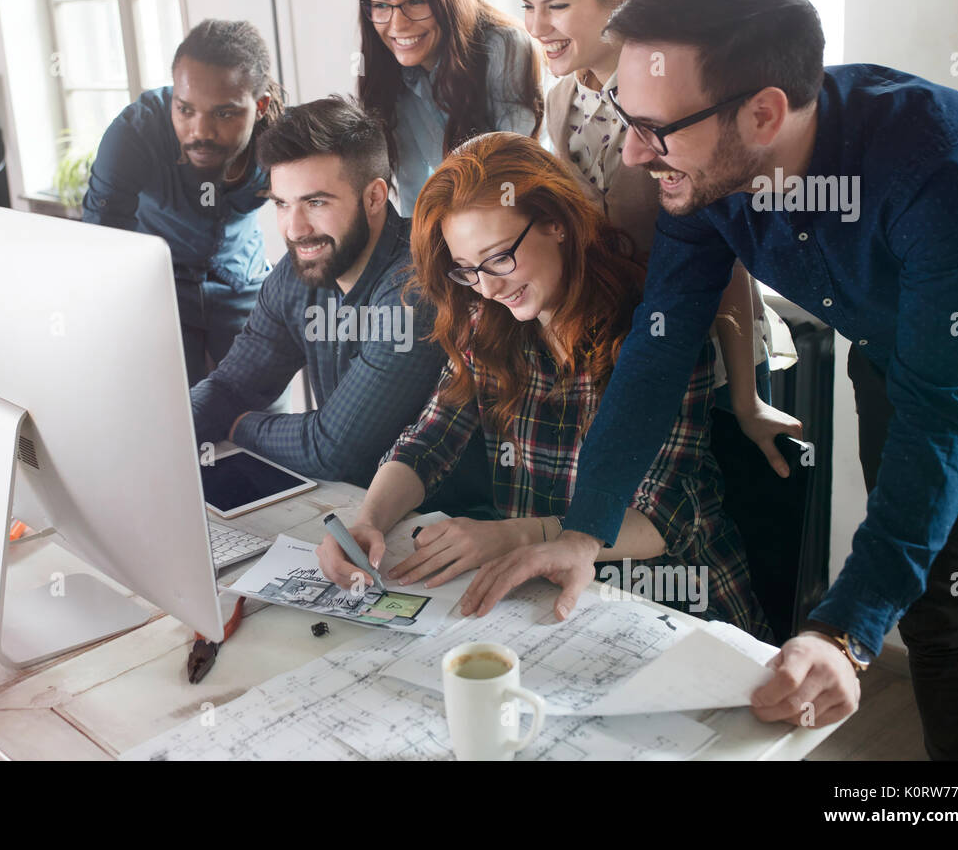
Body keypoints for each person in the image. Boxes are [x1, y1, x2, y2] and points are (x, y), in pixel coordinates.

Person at [463, 0, 958, 756]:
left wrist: (846, 632)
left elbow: (946, 417)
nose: (633, 156)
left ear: (763, 113)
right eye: (626, 117)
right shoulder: (702, 175)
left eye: (656, 130)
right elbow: (661, 341)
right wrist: (586, 528)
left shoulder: (944, 169)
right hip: (899, 362)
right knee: (931, 615)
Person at [315, 132, 770, 639]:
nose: (488, 288)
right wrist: (369, 521)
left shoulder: (653, 326)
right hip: (539, 593)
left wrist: (513, 536)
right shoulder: (487, 321)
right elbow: (429, 440)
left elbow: (665, 517)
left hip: (669, 601)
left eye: (499, 258)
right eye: (466, 270)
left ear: (556, 222)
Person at [520, 0, 799, 472]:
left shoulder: (676, 96)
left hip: (719, 354)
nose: (537, 27)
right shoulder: (559, 101)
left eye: (558, 6)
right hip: (634, 353)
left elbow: (728, 262)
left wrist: (746, 400)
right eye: (528, 6)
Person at [189, 97, 448, 486]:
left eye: (315, 202)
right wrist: (159, 433)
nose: (295, 229)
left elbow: (334, 452)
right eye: (281, 204)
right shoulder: (298, 272)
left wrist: (238, 424)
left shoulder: (414, 288)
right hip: (354, 513)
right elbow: (231, 387)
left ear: (374, 198)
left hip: (443, 523)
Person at [81, 19, 284, 387]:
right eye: (185, 110)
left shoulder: (283, 140)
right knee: (173, 420)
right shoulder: (133, 133)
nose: (201, 132)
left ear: (260, 105)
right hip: (160, 287)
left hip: (245, 280)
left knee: (260, 416)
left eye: (224, 113)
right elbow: (101, 243)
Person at [357, 0, 544, 214]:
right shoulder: (390, 72)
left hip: (522, 221)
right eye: (381, 5)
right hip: (462, 230)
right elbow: (413, 194)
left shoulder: (505, 47)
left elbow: (515, 182)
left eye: (416, 1)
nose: (397, 25)